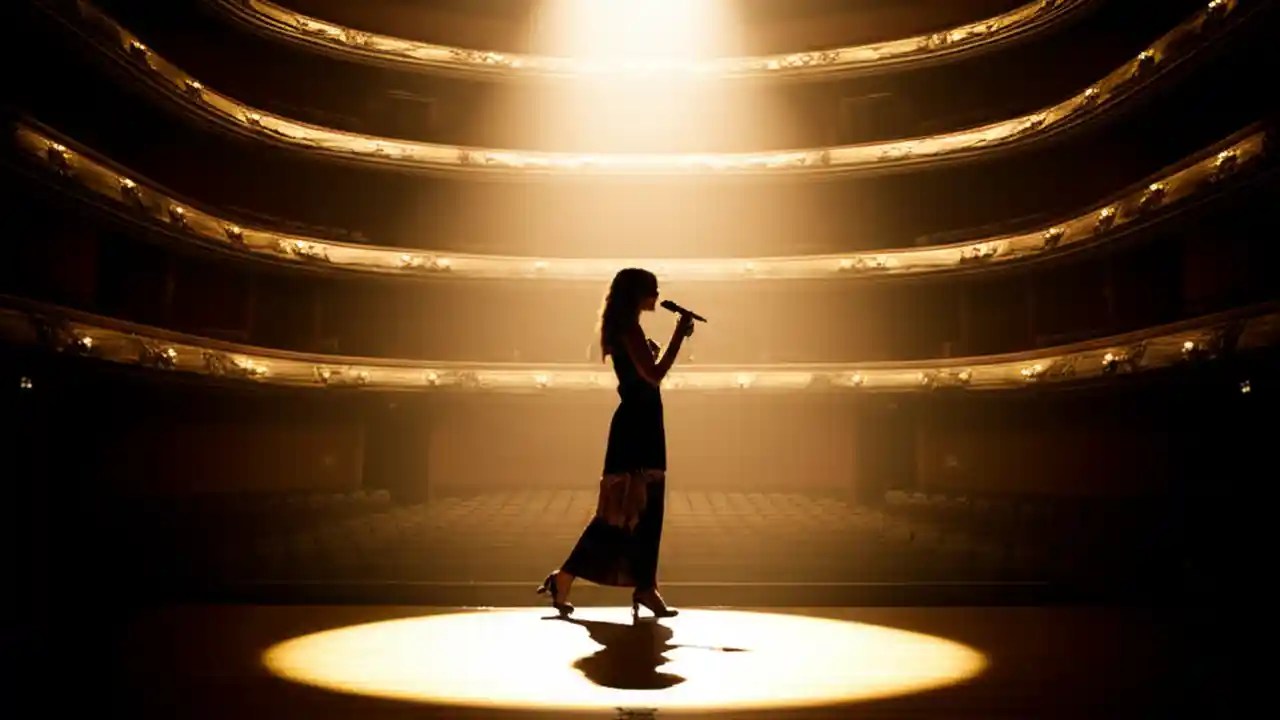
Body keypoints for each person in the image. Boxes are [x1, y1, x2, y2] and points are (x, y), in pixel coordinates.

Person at [537, 268, 695, 620]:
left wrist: (660, 348)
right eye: (652, 290)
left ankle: (645, 586)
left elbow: (644, 374)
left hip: (644, 421)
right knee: (618, 514)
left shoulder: (626, 329)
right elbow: (653, 377)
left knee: (648, 511)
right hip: (636, 425)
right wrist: (678, 337)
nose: (657, 296)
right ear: (637, 294)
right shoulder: (628, 329)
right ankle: (565, 576)